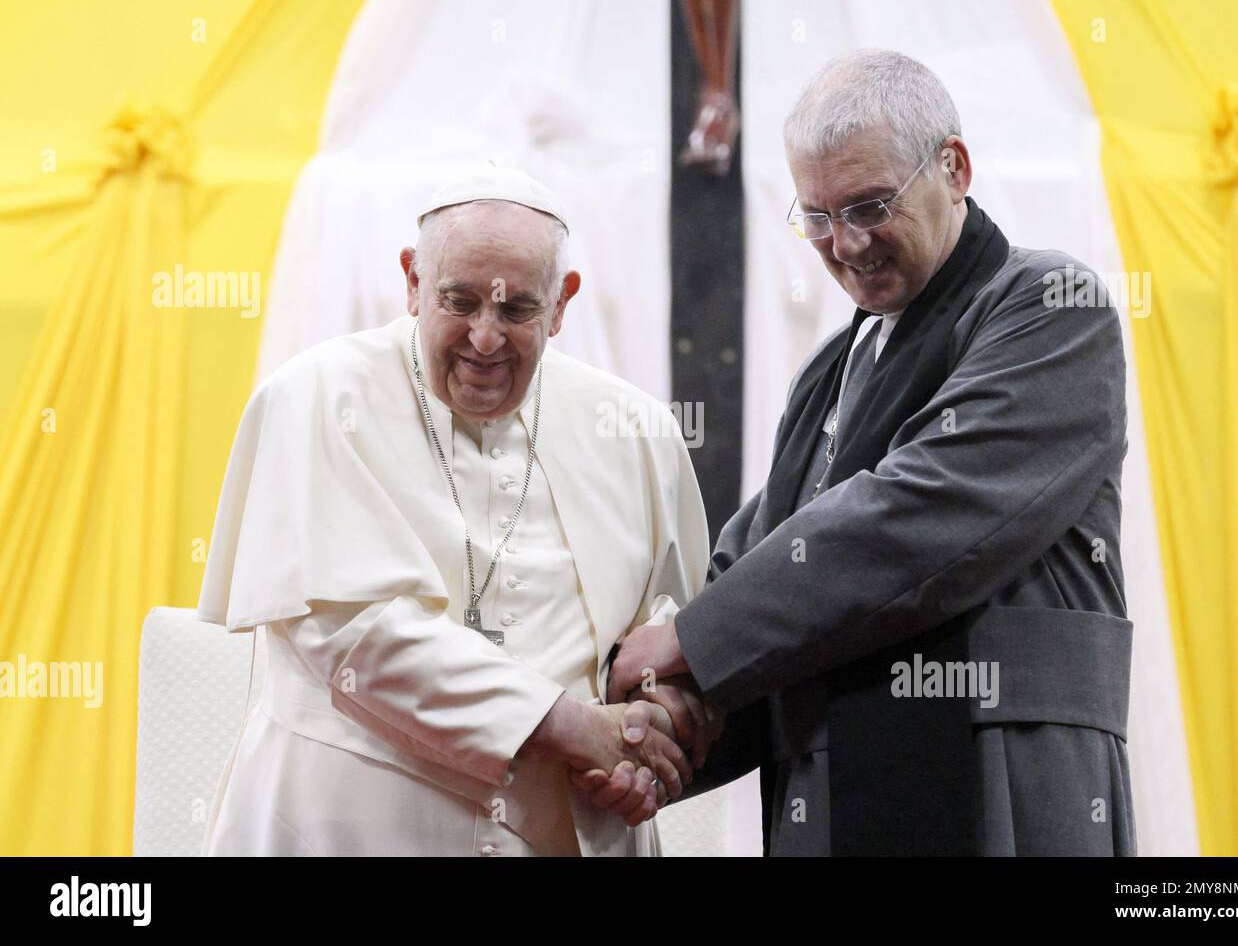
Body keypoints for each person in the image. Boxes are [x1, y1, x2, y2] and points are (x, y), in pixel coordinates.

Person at [589, 48, 1136, 856]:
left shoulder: (1050, 308)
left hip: (1002, 773)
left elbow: (922, 514)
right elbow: (759, 560)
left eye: (869, 206)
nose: (844, 244)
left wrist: (694, 641)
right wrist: (661, 719)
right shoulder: (830, 372)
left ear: (954, 167)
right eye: (816, 218)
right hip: (830, 790)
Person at [197, 166, 710, 856]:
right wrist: (570, 725)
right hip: (349, 828)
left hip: (567, 824)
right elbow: (352, 631)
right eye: (459, 301)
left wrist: (654, 724)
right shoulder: (316, 396)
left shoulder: (635, 428)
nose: (487, 338)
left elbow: (672, 633)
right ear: (412, 281)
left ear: (563, 303)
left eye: (518, 309)